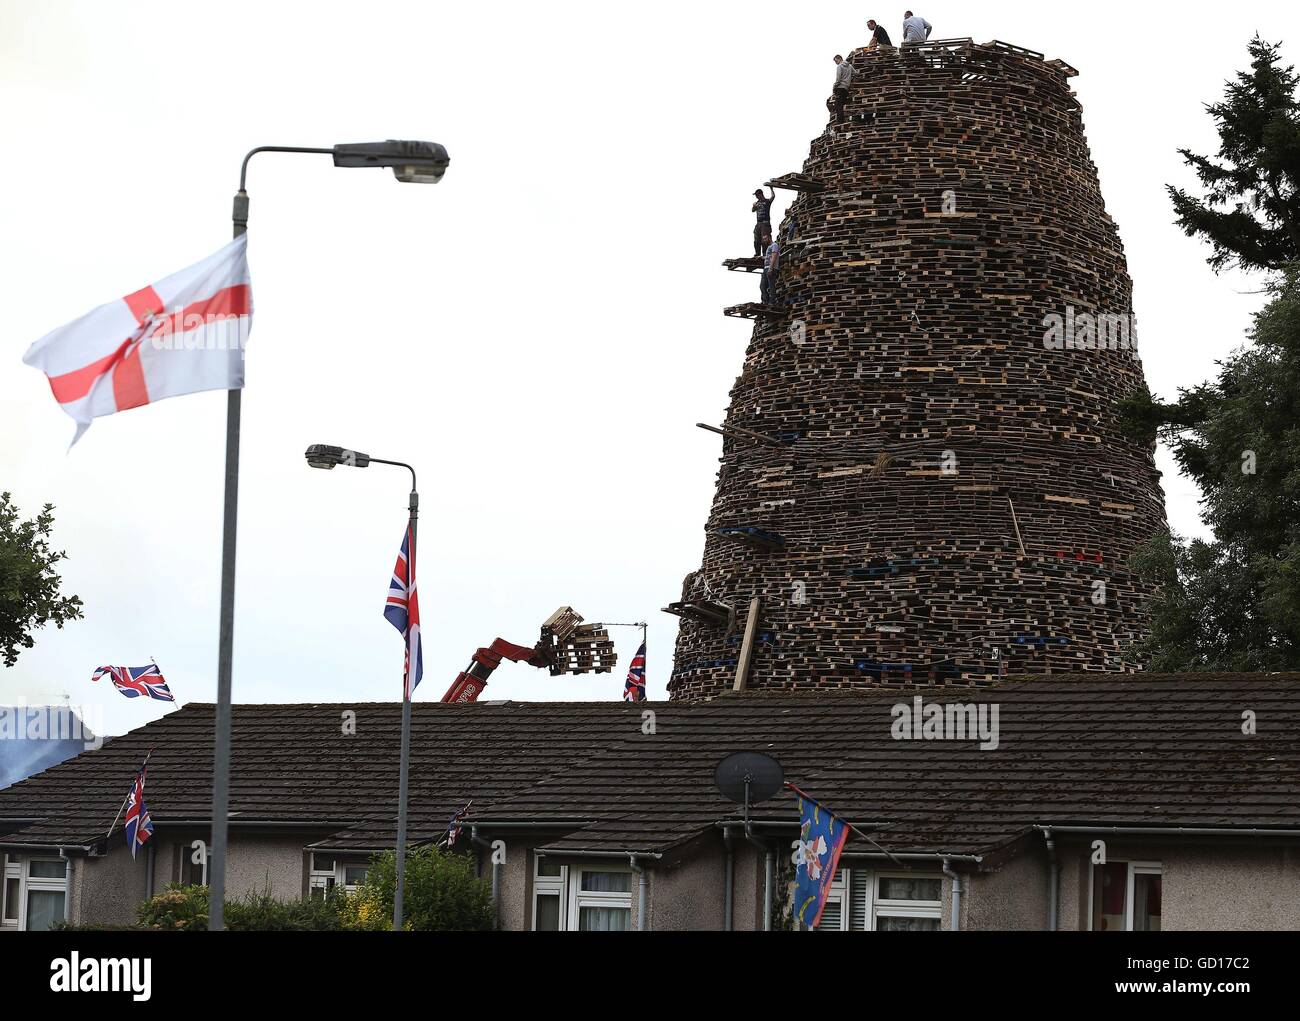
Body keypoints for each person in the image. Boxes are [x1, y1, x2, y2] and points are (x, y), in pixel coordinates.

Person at [830, 55, 854, 124]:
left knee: (838, 105)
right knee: (843, 103)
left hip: (840, 88)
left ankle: (840, 122)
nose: (836, 63)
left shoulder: (839, 66)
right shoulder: (849, 66)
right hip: (846, 88)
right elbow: (856, 73)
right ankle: (843, 120)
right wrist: (849, 77)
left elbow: (838, 79)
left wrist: (834, 86)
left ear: (839, 59)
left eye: (836, 61)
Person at [752, 186, 774, 258]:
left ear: (760, 194)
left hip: (765, 223)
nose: (756, 197)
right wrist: (754, 206)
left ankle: (765, 254)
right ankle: (757, 254)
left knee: (764, 239)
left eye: (757, 195)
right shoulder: (757, 203)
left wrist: (771, 188)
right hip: (758, 223)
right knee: (756, 239)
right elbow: (752, 210)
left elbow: (773, 196)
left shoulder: (767, 202)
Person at [761, 230, 780, 306]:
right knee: (762, 286)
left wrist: (770, 268)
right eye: (763, 239)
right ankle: (765, 301)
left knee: (771, 285)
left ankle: (772, 302)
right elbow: (769, 257)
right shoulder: (769, 247)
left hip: (771, 268)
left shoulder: (774, 245)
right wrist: (762, 257)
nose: (764, 240)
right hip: (766, 268)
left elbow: (774, 256)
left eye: (765, 238)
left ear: (769, 238)